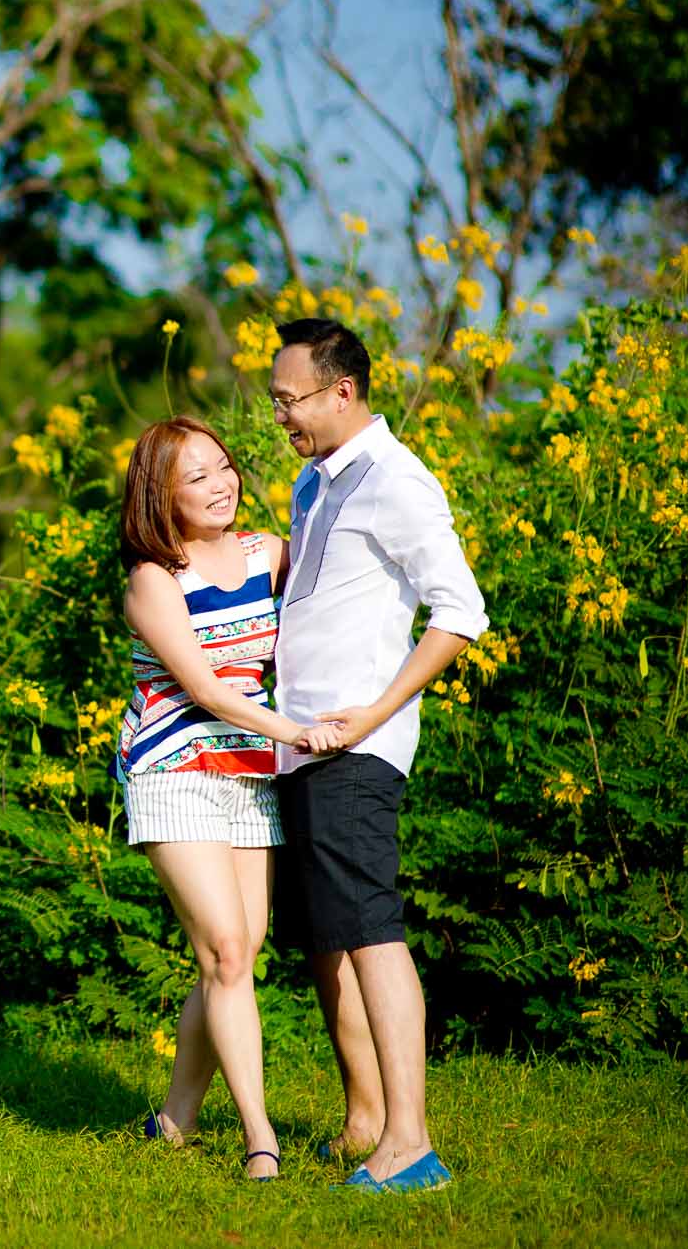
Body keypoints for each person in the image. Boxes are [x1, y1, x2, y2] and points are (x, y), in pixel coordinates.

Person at [267, 317, 488, 1194]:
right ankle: (365, 1118)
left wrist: (374, 713)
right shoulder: (311, 485)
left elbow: (459, 611)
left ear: (343, 391)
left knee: (371, 932)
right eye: (276, 399)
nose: (281, 413)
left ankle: (412, 1143)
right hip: (298, 744)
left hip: (356, 745)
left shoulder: (398, 480)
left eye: (290, 399)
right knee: (328, 941)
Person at [113, 415, 339, 1182]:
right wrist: (298, 731)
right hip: (174, 768)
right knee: (228, 950)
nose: (220, 485)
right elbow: (207, 688)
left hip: (249, 773)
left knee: (230, 957)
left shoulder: (265, 552)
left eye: (224, 467)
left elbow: (330, 600)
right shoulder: (153, 579)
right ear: (161, 495)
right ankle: (260, 1137)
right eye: (196, 477)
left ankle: (173, 1120)